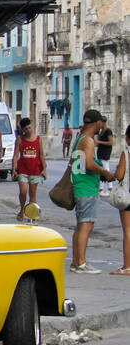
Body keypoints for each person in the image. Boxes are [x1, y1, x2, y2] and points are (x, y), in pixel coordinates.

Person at [70, 110, 117, 274]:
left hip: (80, 185)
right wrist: (105, 172)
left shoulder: (79, 139)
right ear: (97, 123)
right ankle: (81, 263)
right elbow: (89, 164)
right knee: (86, 225)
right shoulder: (88, 141)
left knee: (81, 225)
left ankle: (76, 261)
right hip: (86, 187)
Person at [12, 117, 46, 220]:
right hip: (23, 170)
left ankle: (32, 214)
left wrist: (44, 169)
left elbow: (41, 155)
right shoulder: (19, 140)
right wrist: (14, 169)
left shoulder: (38, 139)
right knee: (23, 191)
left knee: (32, 193)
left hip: (35, 170)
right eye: (26, 129)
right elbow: (16, 155)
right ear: (22, 130)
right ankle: (22, 209)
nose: (28, 130)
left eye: (30, 128)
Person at [110, 124, 130, 276]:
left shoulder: (127, 153)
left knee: (128, 232)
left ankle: (127, 266)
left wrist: (117, 169)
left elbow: (120, 175)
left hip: (128, 196)